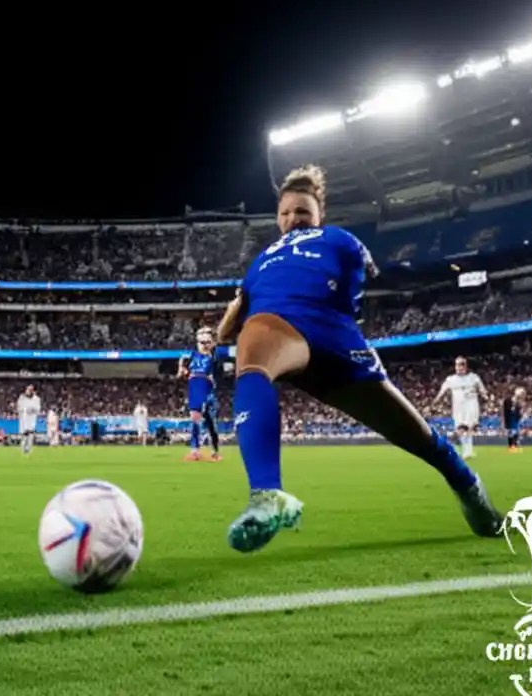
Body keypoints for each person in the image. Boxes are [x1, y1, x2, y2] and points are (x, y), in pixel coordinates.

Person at [215, 164, 503, 553]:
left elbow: (350, 297)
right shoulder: (259, 262)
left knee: (418, 436)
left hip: (336, 337)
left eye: (302, 211)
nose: (293, 219)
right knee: (251, 354)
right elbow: (224, 331)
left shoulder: (340, 240)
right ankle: (267, 495)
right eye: (285, 213)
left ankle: (470, 490)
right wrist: (236, 310)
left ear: (319, 215)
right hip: (281, 332)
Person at [178, 327, 222, 462]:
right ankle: (195, 451)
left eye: (207, 343)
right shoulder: (193, 355)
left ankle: (214, 451)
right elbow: (184, 365)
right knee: (195, 418)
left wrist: (210, 332)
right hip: (194, 387)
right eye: (202, 343)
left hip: (205, 389)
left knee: (209, 422)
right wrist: (182, 369)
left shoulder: (213, 357)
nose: (205, 345)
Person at [433, 356, 490, 458]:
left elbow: (482, 389)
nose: (459, 367)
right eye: (457, 365)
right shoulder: (451, 379)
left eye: (462, 365)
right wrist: (436, 400)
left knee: (469, 428)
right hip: (458, 407)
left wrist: (485, 396)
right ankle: (463, 449)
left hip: (471, 405)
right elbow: (442, 390)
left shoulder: (473, 377)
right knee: (460, 429)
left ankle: (468, 451)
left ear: (466, 366)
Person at [17, 385, 42, 455]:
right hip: (24, 419)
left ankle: (29, 450)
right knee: (24, 435)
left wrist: (32, 409)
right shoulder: (22, 398)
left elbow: (38, 409)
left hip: (32, 419)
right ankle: (23, 449)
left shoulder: (36, 399)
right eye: (28, 389)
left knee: (30, 435)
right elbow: (19, 407)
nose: (28, 391)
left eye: (30, 390)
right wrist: (23, 410)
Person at [502, 387, 526, 452]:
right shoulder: (509, 400)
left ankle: (514, 445)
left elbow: (519, 411)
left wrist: (520, 415)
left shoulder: (518, 402)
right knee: (511, 432)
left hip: (515, 418)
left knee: (516, 432)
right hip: (511, 418)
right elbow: (506, 410)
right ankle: (511, 446)